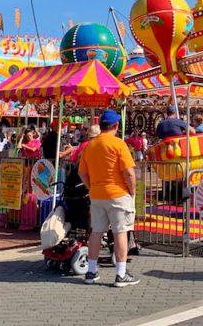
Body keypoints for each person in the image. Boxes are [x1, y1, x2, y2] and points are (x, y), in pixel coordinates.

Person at [78, 110, 139, 287]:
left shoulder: (90, 145)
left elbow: (82, 172)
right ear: (116, 125)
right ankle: (121, 274)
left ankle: (91, 271)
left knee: (96, 232)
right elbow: (129, 172)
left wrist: (91, 187)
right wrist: (132, 191)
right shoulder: (118, 144)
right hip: (117, 193)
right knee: (120, 232)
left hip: (97, 195)